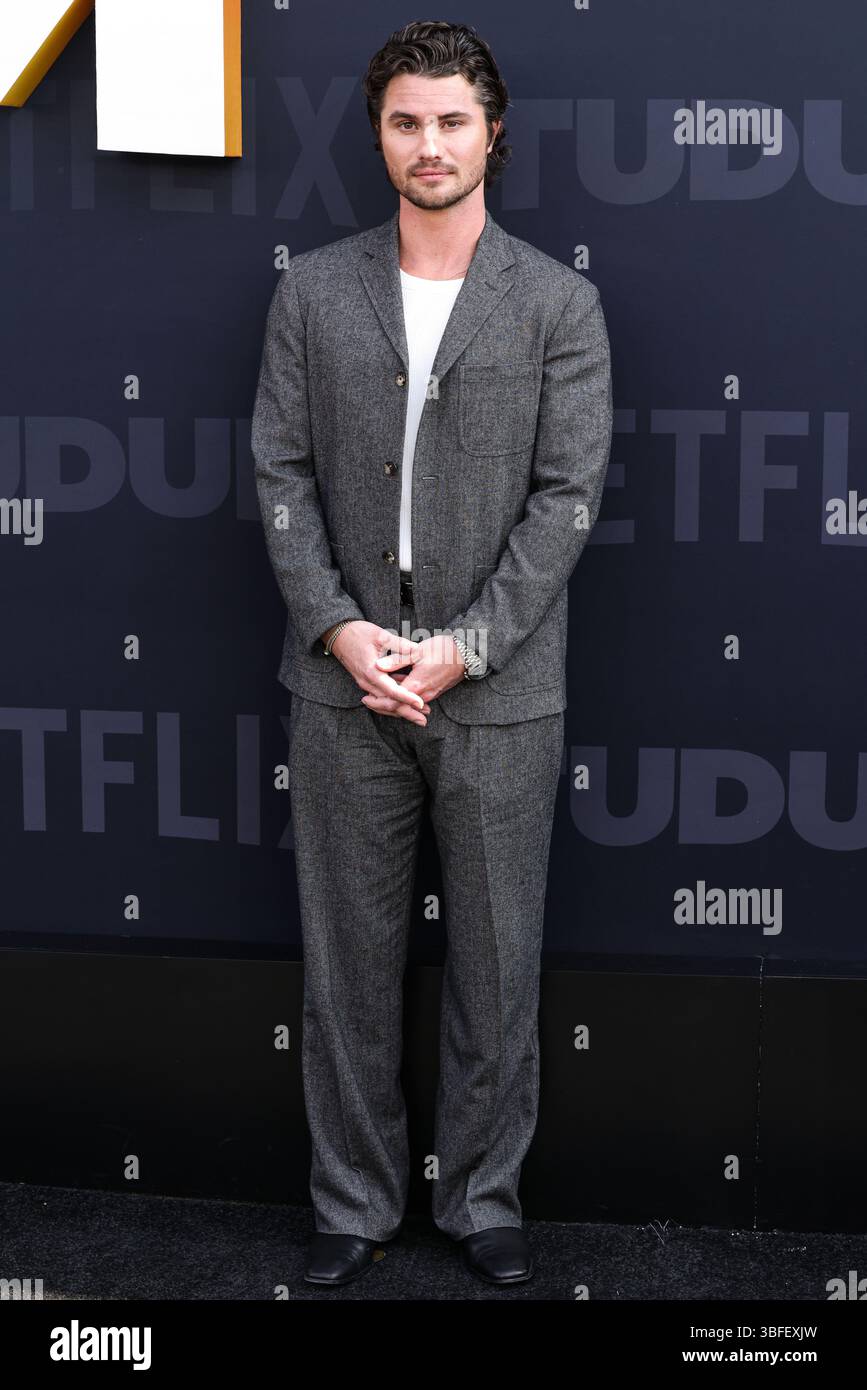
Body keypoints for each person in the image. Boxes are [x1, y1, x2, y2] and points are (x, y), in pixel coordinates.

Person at [251, 18, 613, 1289]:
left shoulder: (559, 303)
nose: (430, 144)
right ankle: (350, 1201)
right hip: (339, 683)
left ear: (492, 133)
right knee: (345, 964)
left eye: (453, 119)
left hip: (499, 690)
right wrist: (341, 626)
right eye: (407, 120)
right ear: (379, 135)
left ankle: (482, 1195)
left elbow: (568, 498)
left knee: (500, 964)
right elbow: (280, 474)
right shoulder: (313, 291)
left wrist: (465, 647)